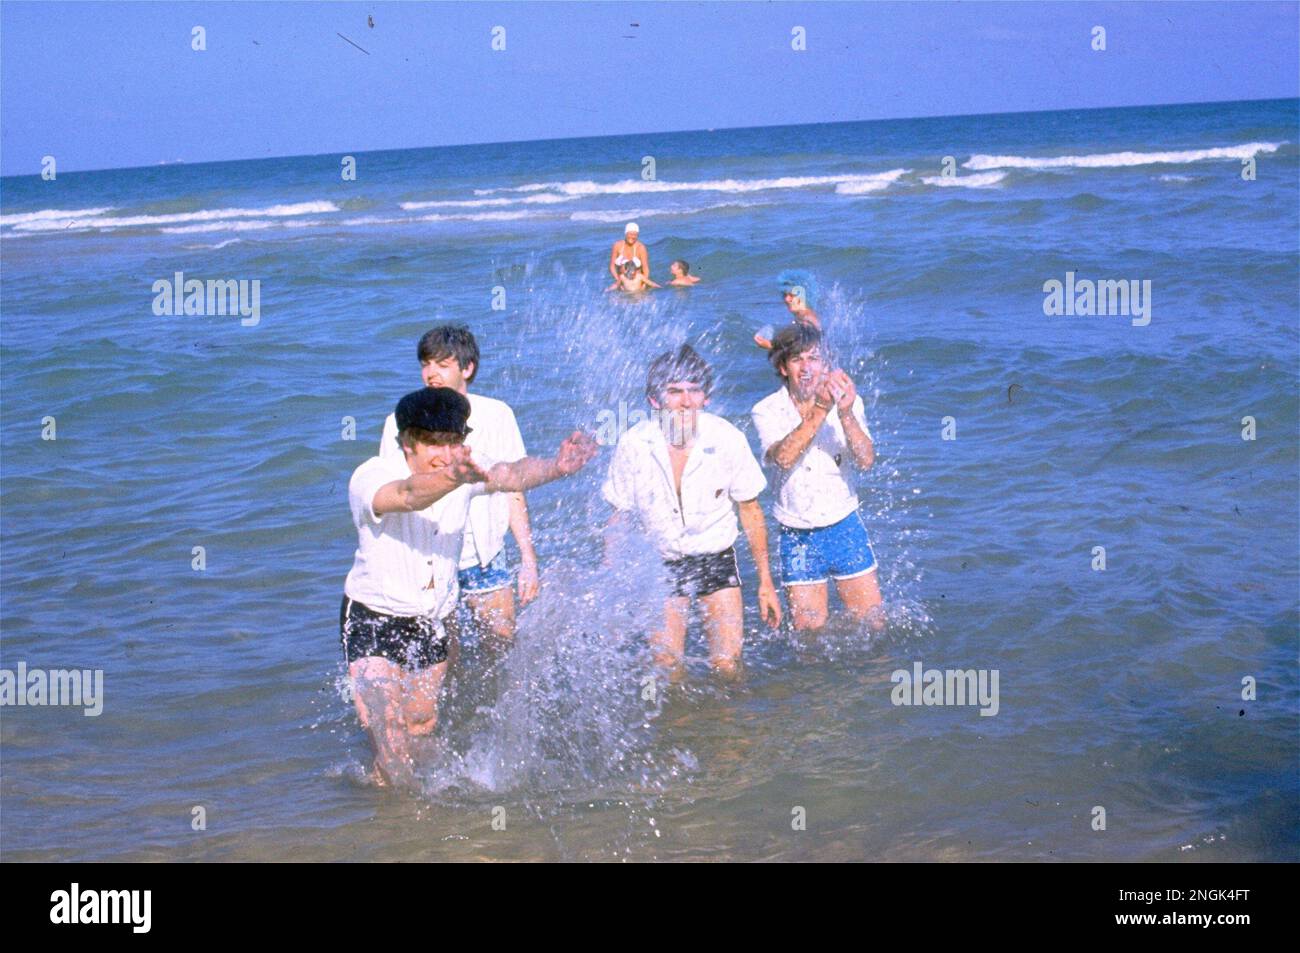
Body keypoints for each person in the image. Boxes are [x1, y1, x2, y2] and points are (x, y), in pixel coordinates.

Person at [344, 387, 596, 783]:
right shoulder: (371, 475)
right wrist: (453, 475)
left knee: (421, 724)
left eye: (452, 442)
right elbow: (408, 496)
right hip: (374, 618)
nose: (444, 454)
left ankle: (392, 806)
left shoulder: (463, 471)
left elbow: (512, 474)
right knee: (389, 734)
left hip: (432, 618)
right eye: (432, 443)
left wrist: (558, 467)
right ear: (407, 442)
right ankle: (397, 817)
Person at [602, 344, 781, 675]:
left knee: (728, 665)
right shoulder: (634, 444)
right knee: (667, 667)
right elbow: (619, 518)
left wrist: (765, 582)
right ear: (655, 400)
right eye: (674, 392)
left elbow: (751, 512)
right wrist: (613, 584)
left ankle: (730, 725)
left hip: (716, 559)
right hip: (662, 564)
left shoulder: (727, 438)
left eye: (694, 390)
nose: (685, 401)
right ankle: (682, 726)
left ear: (705, 397)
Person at [380, 325, 536, 641]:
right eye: (425, 364)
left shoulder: (496, 414)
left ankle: (494, 693)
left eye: (442, 364)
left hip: (485, 551)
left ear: (467, 368)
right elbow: (397, 492)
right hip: (429, 553)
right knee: (441, 653)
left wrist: (528, 558)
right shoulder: (399, 421)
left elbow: (514, 488)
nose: (430, 374)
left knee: (501, 638)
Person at [751, 323, 883, 632]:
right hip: (797, 534)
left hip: (845, 525)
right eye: (798, 359)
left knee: (873, 625)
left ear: (825, 364)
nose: (807, 368)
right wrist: (822, 409)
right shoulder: (766, 410)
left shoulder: (850, 402)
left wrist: (847, 413)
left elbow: (866, 461)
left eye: (814, 358)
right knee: (808, 634)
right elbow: (782, 458)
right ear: (784, 367)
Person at [755, 270, 822, 349]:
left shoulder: (807, 319)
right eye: (784, 295)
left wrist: (770, 346)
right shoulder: (803, 317)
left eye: (792, 295)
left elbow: (803, 350)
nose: (787, 299)